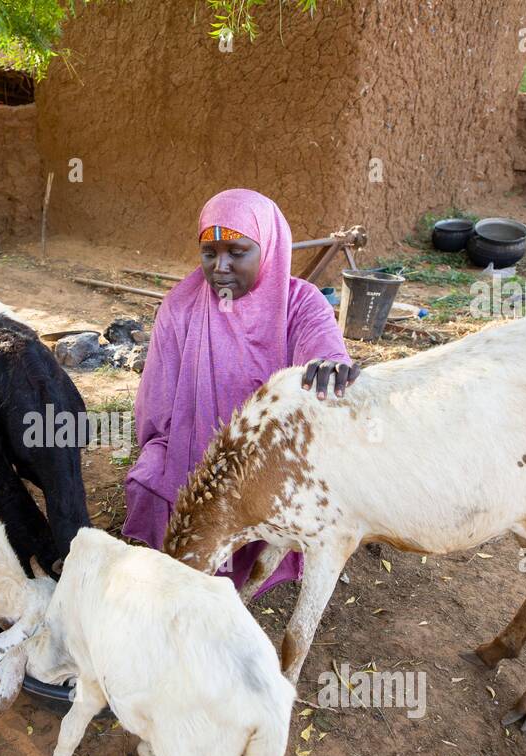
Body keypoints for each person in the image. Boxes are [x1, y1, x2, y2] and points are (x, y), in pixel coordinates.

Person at [123, 188, 359, 597]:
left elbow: (321, 346)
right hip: (192, 446)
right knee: (149, 477)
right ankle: (183, 564)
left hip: (269, 456)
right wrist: (171, 443)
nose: (221, 266)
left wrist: (328, 362)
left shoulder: (299, 302)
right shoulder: (180, 306)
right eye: (209, 252)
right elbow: (156, 402)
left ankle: (246, 570)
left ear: (266, 248)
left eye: (237, 251)